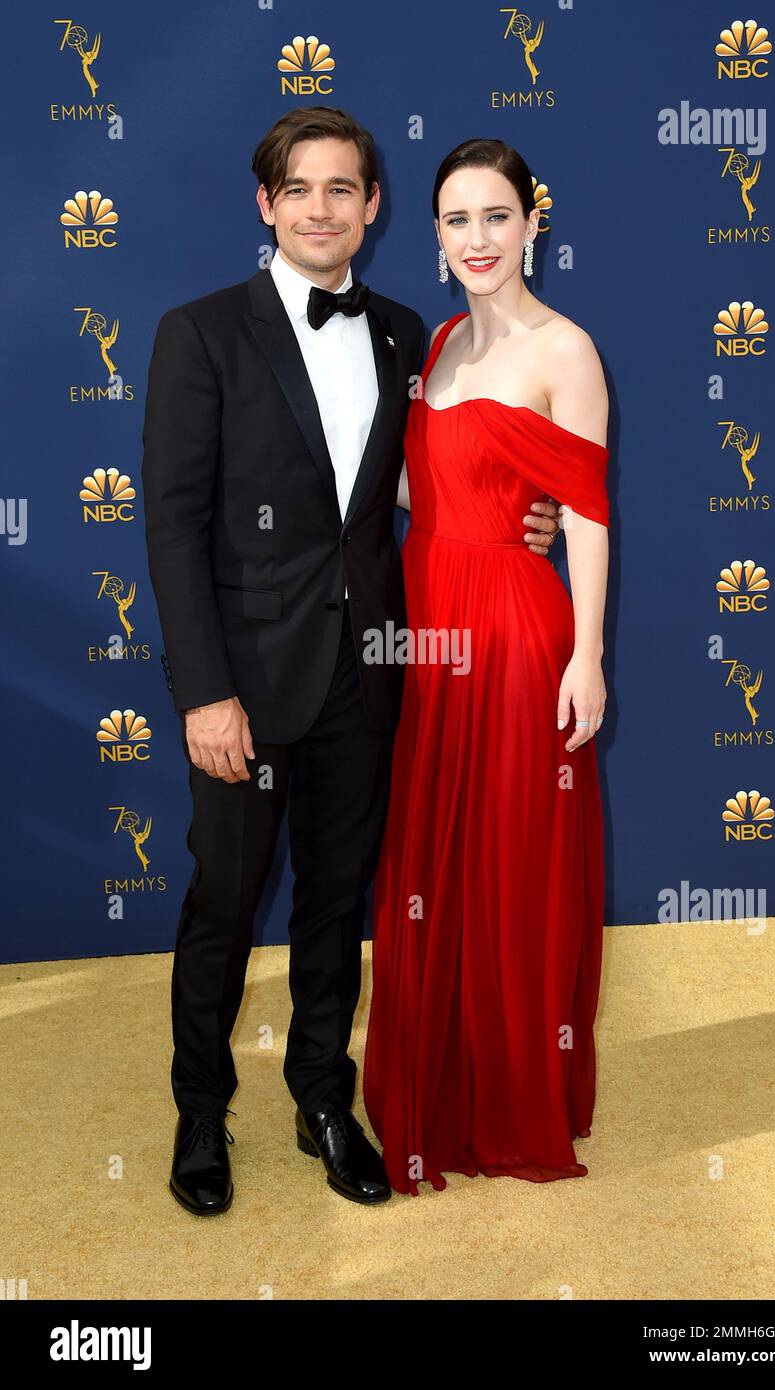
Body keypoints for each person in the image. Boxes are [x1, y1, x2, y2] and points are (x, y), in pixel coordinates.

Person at [140, 108, 558, 1214]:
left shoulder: (404, 332)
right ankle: (198, 1109)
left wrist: (525, 521)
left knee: (336, 903)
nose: (322, 209)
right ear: (265, 203)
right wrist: (204, 692)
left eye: (345, 189)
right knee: (224, 903)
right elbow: (173, 527)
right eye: (301, 189)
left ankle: (325, 1095)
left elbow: (426, 487)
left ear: (374, 209)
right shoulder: (200, 332)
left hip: (369, 674)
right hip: (244, 681)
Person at [362, 138, 611, 1195]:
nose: (477, 238)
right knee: (433, 861)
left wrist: (587, 654)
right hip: (429, 624)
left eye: (496, 216)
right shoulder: (443, 343)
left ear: (532, 224)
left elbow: (591, 516)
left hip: (513, 632)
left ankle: (510, 1099)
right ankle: (441, 1084)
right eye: (457, 220)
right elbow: (428, 487)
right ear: (433, 234)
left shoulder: (567, 350)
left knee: (508, 856)